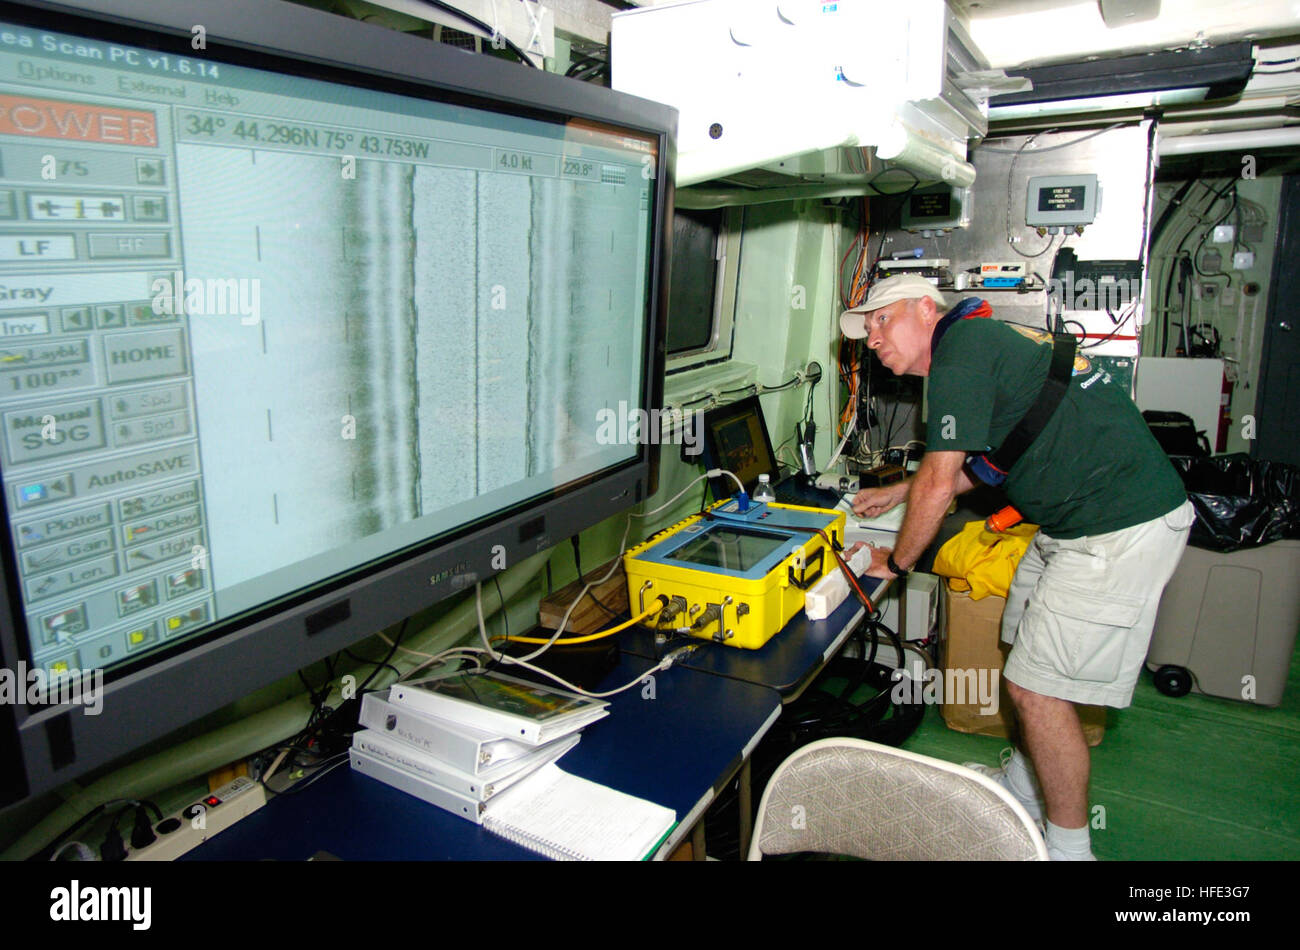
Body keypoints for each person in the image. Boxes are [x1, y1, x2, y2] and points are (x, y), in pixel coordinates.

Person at [840, 273, 1193, 861]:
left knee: (1037, 691)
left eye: (882, 318)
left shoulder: (961, 352)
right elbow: (995, 462)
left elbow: (941, 470)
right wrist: (902, 491)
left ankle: (1068, 851)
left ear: (927, 309)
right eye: (867, 327)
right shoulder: (980, 344)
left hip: (1115, 530)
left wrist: (895, 564)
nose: (872, 338)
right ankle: (1028, 790)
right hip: (1074, 525)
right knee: (1019, 644)